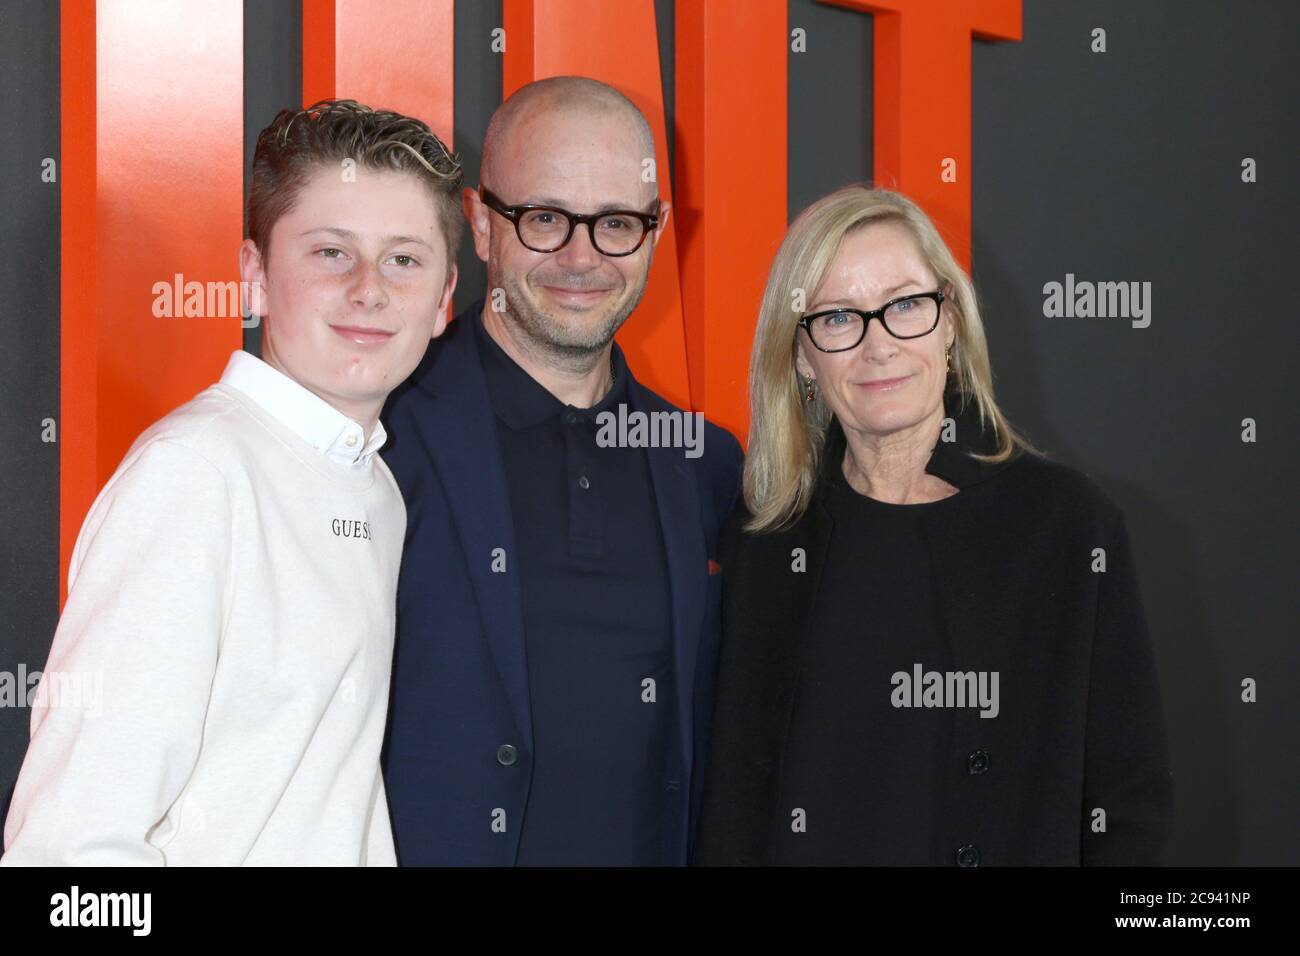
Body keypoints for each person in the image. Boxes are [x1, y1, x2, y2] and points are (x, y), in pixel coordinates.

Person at [1, 100, 461, 865]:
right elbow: (68, 859)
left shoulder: (375, 490)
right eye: (330, 253)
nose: (369, 289)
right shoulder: (195, 475)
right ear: (254, 274)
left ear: (444, 300)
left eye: (404, 259)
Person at [695, 185, 1173, 866]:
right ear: (801, 355)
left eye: (906, 306)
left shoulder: (1064, 529)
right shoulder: (766, 536)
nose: (879, 345)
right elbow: (734, 794)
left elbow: (1128, 802)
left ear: (951, 321)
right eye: (837, 318)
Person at [381, 76, 743, 865]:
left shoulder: (706, 465)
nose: (582, 258)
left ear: (656, 232)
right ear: (480, 224)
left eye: (616, 223)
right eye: (544, 218)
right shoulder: (380, 435)